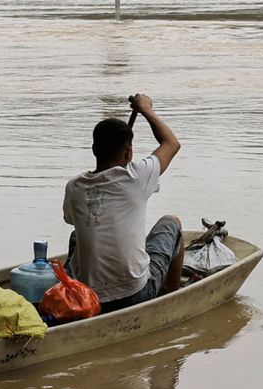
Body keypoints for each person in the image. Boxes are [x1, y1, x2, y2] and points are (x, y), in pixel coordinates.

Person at [63, 93, 182, 311]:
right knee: (172, 222)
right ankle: (169, 296)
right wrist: (145, 108)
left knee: (75, 236)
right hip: (134, 294)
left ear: (93, 150)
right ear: (129, 153)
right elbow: (171, 143)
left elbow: (71, 220)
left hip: (88, 296)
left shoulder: (74, 186)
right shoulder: (137, 177)